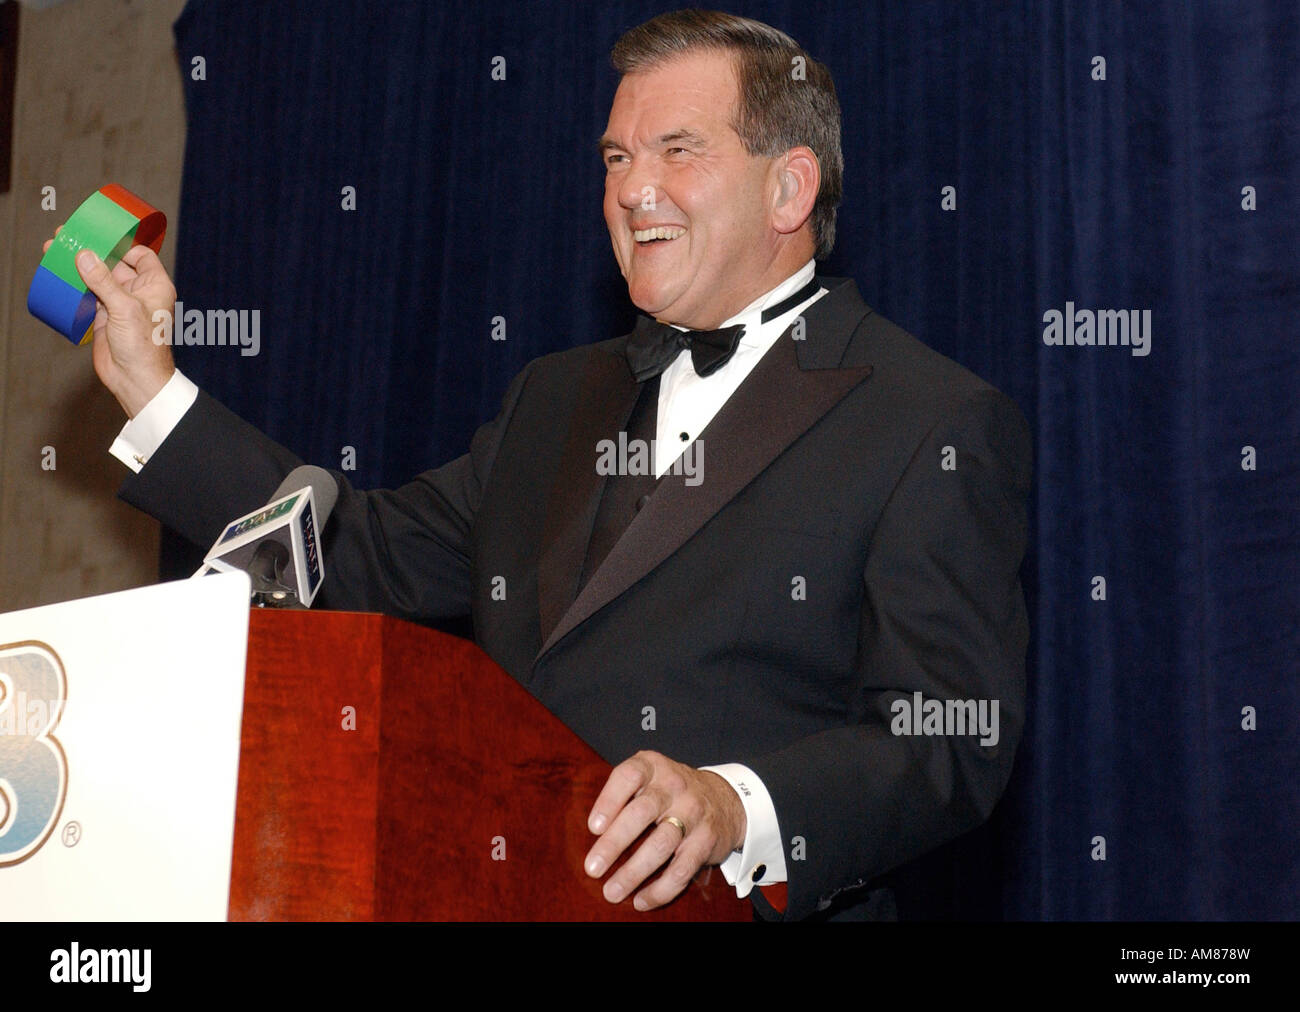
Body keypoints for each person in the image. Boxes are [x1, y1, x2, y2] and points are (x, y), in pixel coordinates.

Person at [51, 10, 1031, 921]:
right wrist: (154, 389)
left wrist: (730, 807)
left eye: (676, 150)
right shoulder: (555, 397)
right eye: (615, 156)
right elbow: (350, 558)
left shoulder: (928, 418)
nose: (631, 188)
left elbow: (948, 739)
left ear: (789, 186)